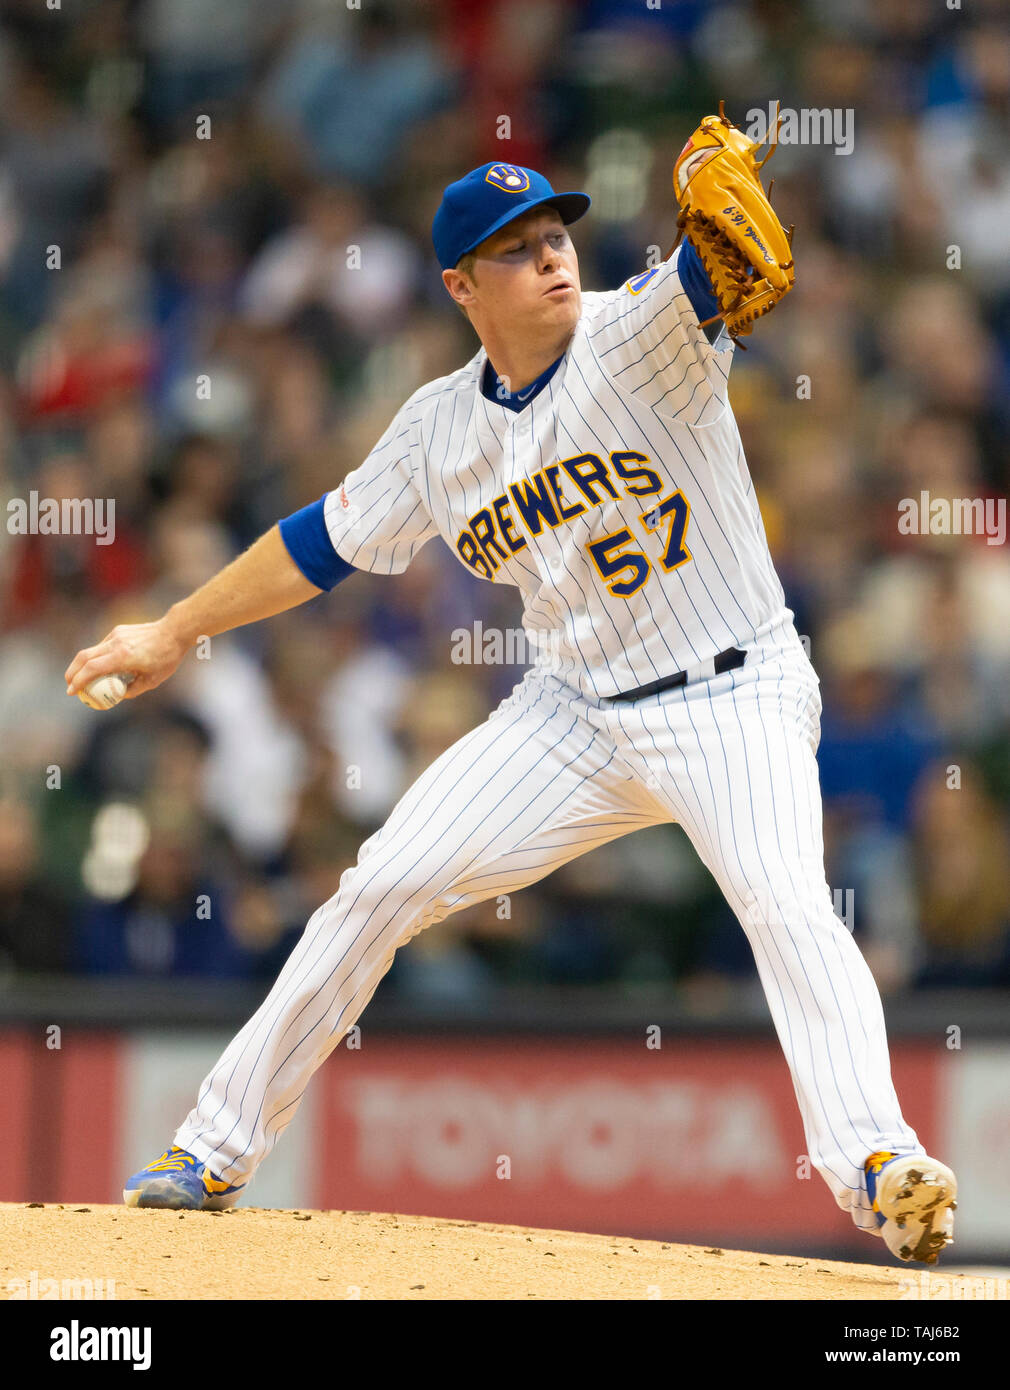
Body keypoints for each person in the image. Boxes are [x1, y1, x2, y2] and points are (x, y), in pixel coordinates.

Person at [66, 159, 957, 1265]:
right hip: (571, 715)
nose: (551, 258)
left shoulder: (638, 332)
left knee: (783, 903)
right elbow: (316, 545)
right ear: (458, 286)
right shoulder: (439, 428)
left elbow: (710, 276)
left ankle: (877, 1165)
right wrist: (174, 628)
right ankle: (211, 1151)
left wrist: (726, 223)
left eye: (557, 236)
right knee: (379, 883)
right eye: (517, 248)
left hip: (732, 690)